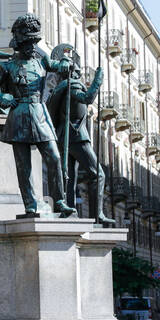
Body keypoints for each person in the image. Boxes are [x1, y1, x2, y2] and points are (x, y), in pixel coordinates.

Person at [0, 14, 74, 218]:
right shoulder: (7, 66)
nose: (33, 46)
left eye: (35, 42)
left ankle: (59, 202)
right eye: (29, 42)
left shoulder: (42, 61)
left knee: (54, 157)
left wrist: (67, 64)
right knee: (24, 166)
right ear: (20, 43)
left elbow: (59, 66)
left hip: (40, 114)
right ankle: (30, 204)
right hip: (19, 116)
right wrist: (5, 100)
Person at [46, 54, 110, 224]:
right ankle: (98, 215)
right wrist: (98, 80)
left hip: (63, 136)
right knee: (98, 175)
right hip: (76, 136)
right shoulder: (73, 86)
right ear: (75, 72)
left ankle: (68, 209)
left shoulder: (60, 87)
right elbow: (87, 98)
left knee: (69, 177)